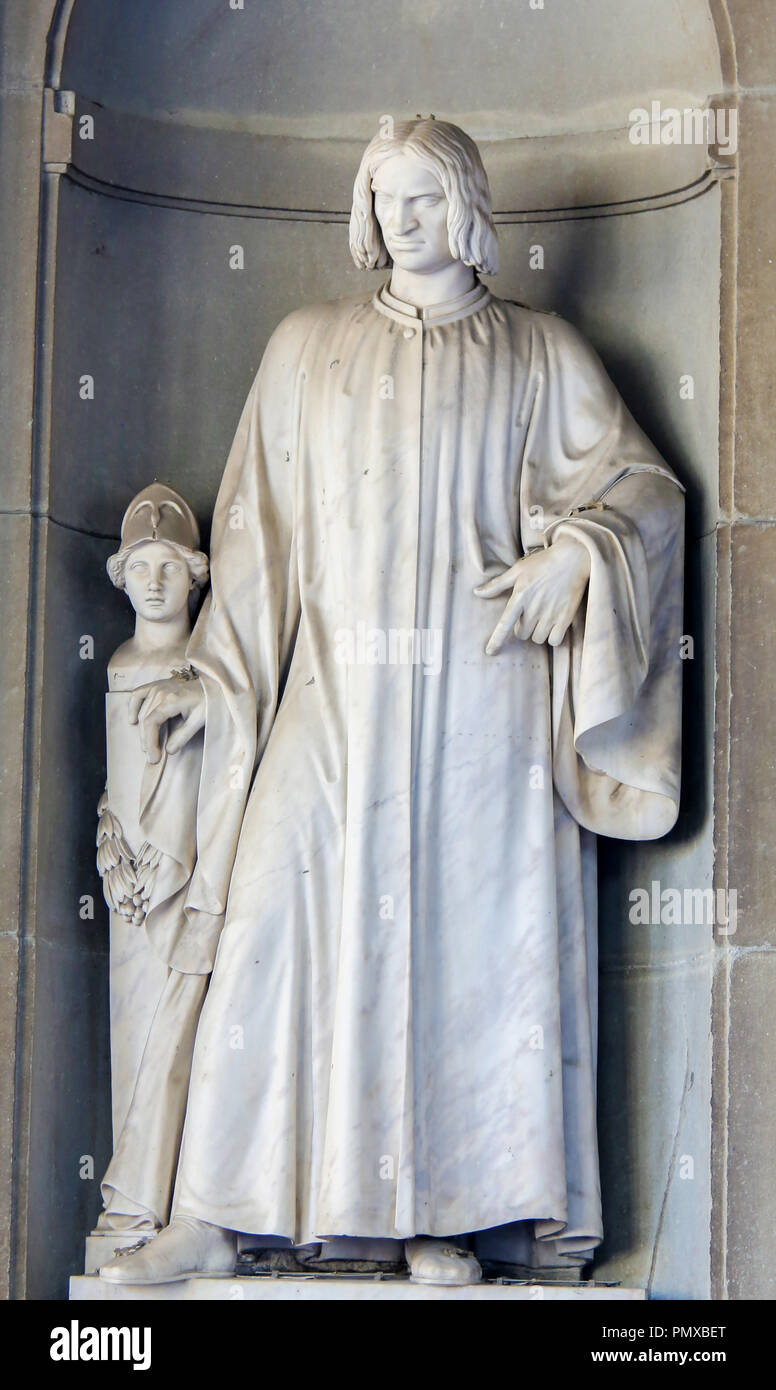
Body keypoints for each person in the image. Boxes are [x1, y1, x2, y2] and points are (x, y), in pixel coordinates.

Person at [100, 118, 684, 1288]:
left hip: (483, 708)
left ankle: (446, 1215)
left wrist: (578, 553)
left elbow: (643, 491)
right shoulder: (305, 346)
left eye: (423, 196)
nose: (401, 218)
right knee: (268, 925)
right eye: (383, 196)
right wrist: (218, 683)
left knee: (462, 952)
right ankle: (216, 1209)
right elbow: (257, 543)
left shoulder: (538, 354)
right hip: (330, 700)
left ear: (465, 204)